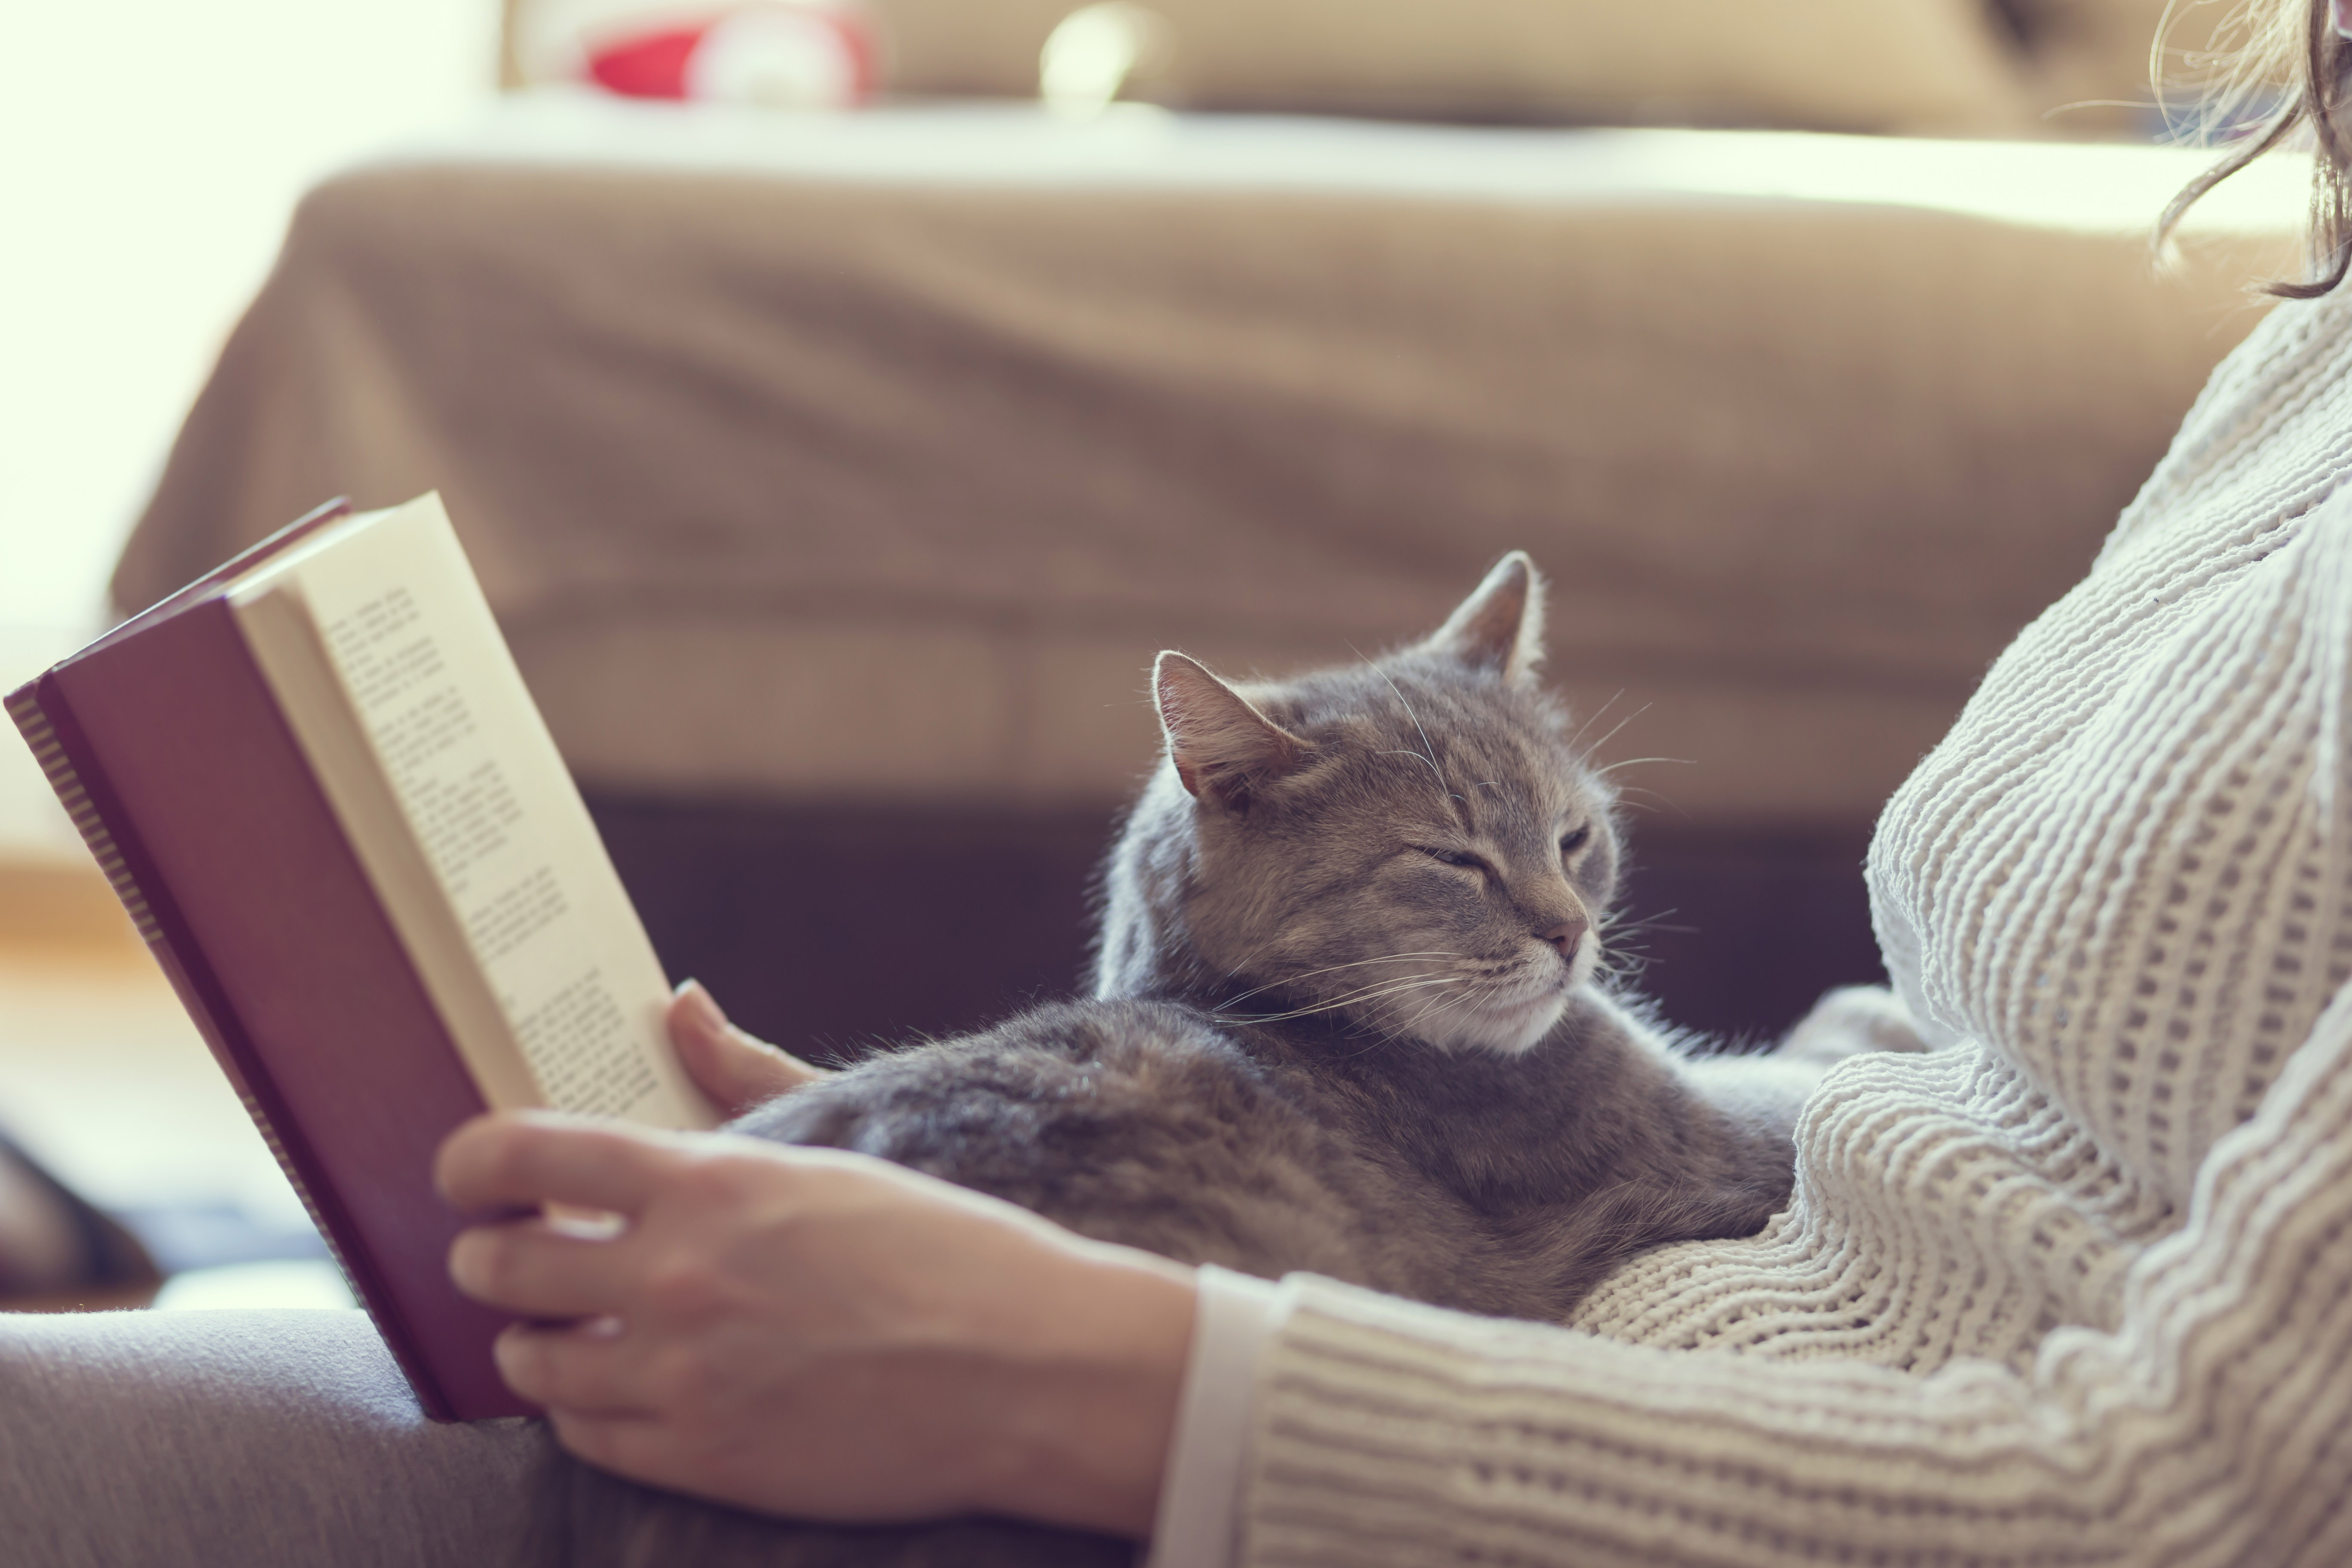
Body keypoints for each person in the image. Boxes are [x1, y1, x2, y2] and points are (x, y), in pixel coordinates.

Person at [10, 1, 2352, 1560]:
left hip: (1504, 1463)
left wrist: (1108, 1370)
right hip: (1453, 1321)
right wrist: (1049, 1163)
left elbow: (2196, 1503)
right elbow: (1972, 1080)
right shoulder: (2301, 341)